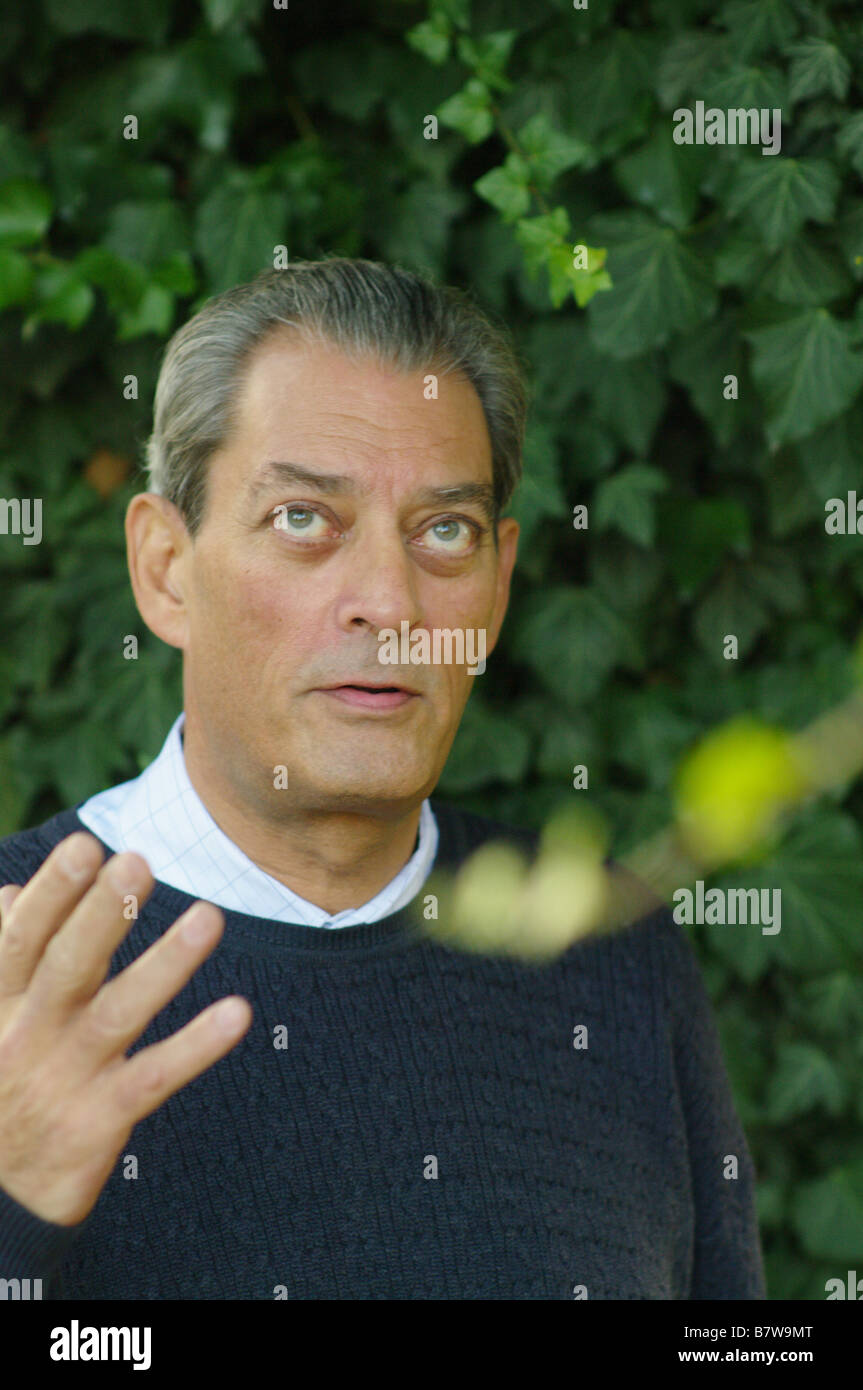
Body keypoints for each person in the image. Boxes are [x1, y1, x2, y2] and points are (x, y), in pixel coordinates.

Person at [0, 258, 766, 1299]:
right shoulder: (18, 961)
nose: (386, 602)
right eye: (304, 520)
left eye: (441, 532)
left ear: (494, 587)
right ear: (165, 570)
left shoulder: (606, 946)